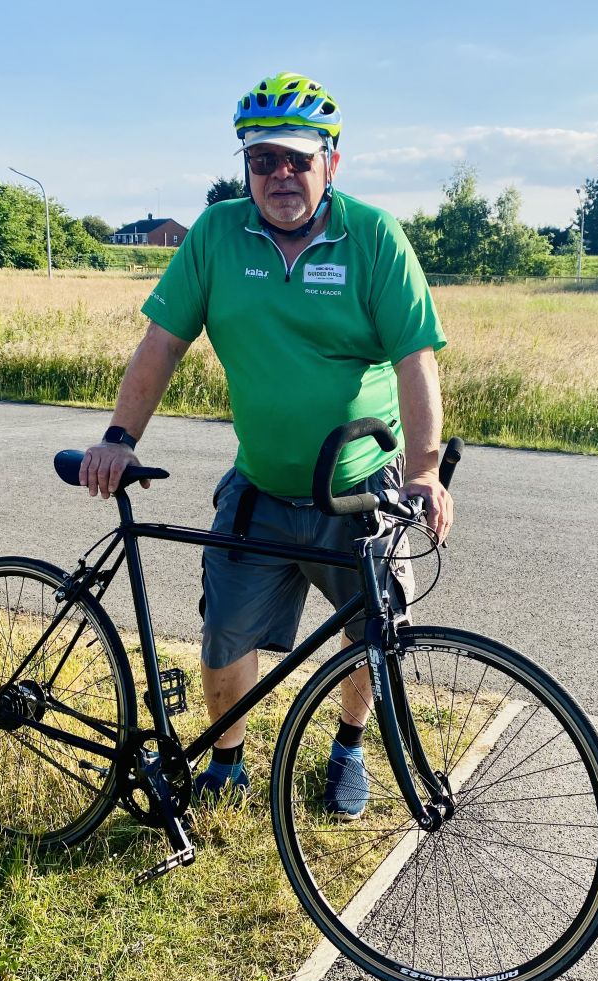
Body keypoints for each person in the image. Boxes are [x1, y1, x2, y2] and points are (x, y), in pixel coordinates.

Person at [80, 72, 453, 819]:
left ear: (331, 163)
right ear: (244, 167)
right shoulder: (217, 234)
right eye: (262, 160)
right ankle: (227, 764)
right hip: (260, 485)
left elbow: (416, 358)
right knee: (226, 634)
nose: (280, 174)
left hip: (360, 489)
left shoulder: (373, 237)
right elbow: (162, 343)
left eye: (297, 159)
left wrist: (422, 473)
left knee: (373, 635)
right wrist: (119, 437)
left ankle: (346, 748)